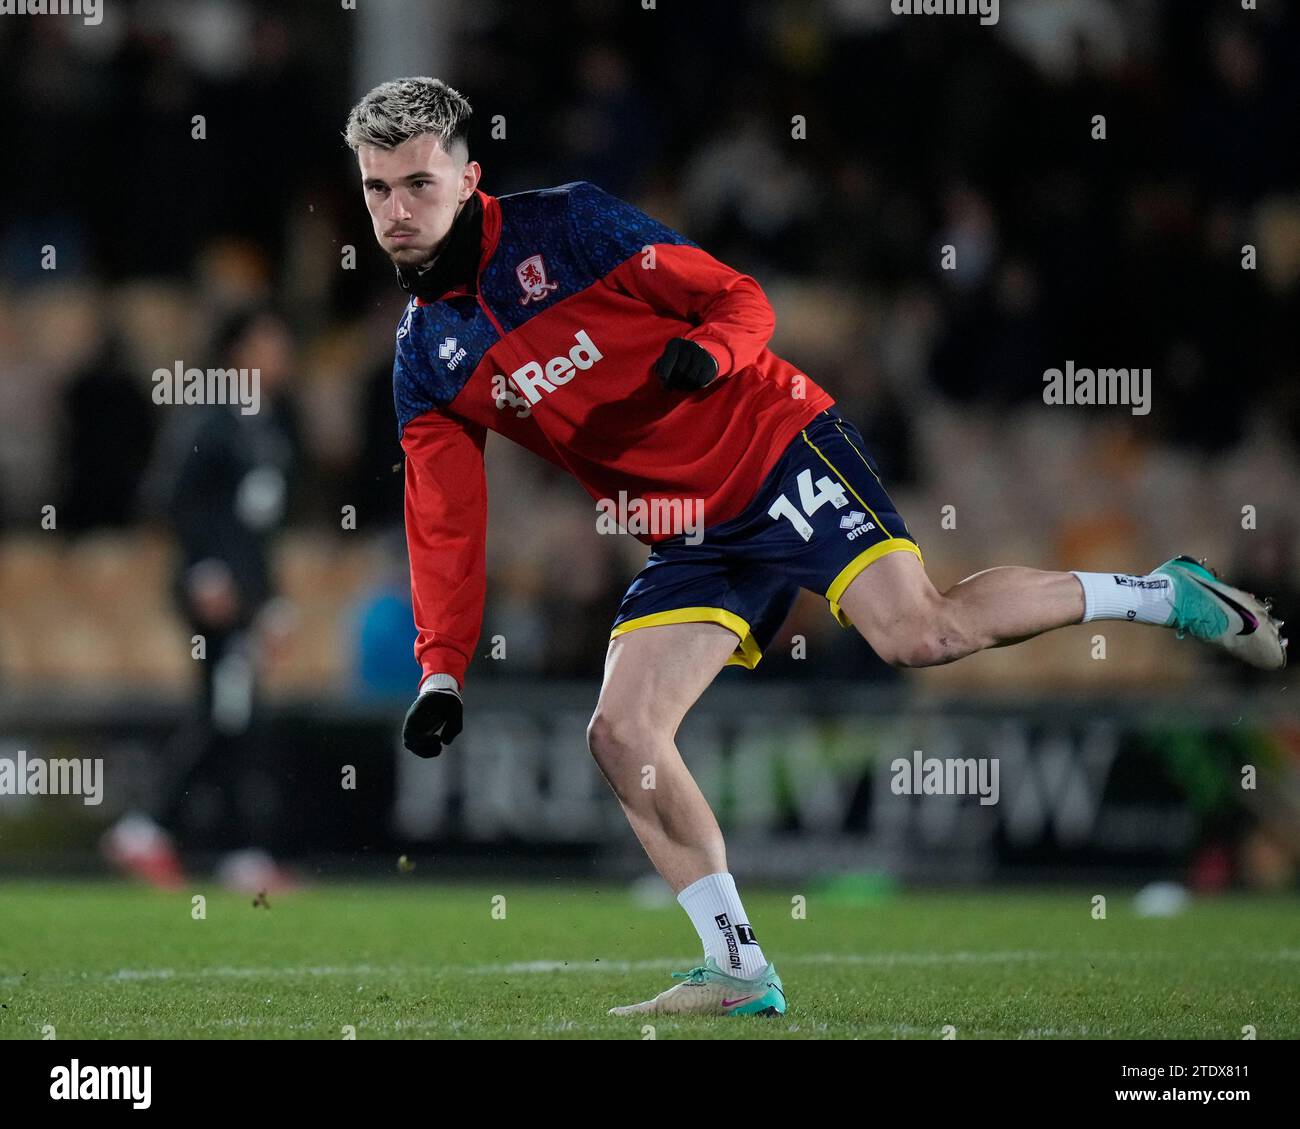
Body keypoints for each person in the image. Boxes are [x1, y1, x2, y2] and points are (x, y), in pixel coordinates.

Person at [345, 77, 1286, 1017]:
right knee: (621, 733)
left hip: (776, 451)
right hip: (691, 533)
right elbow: (444, 520)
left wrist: (711, 353)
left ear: (470, 178)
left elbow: (740, 300)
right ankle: (740, 969)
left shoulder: (571, 227)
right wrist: (442, 671)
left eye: (417, 185)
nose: (396, 211)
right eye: (377, 190)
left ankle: (1162, 593)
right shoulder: (427, 353)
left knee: (921, 634)